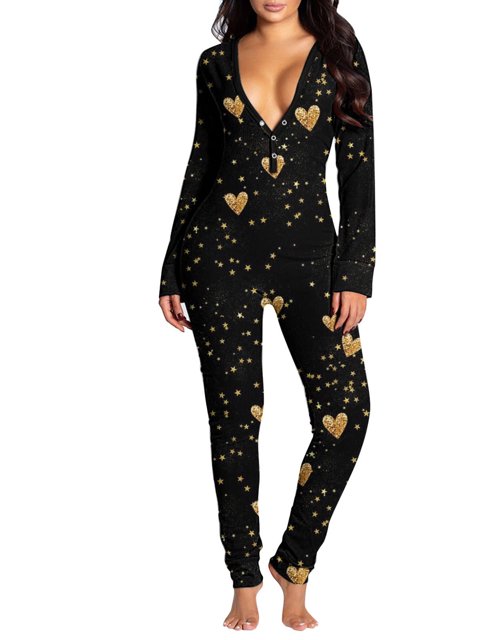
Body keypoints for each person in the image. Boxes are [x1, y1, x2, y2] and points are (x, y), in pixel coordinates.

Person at [158, 0, 375, 631]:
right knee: (234, 424)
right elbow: (201, 163)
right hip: (216, 257)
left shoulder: (340, 55)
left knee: (347, 416)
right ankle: (244, 580)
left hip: (312, 261)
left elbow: (359, 168)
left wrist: (354, 273)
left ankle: (294, 564)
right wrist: (172, 268)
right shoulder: (214, 63)